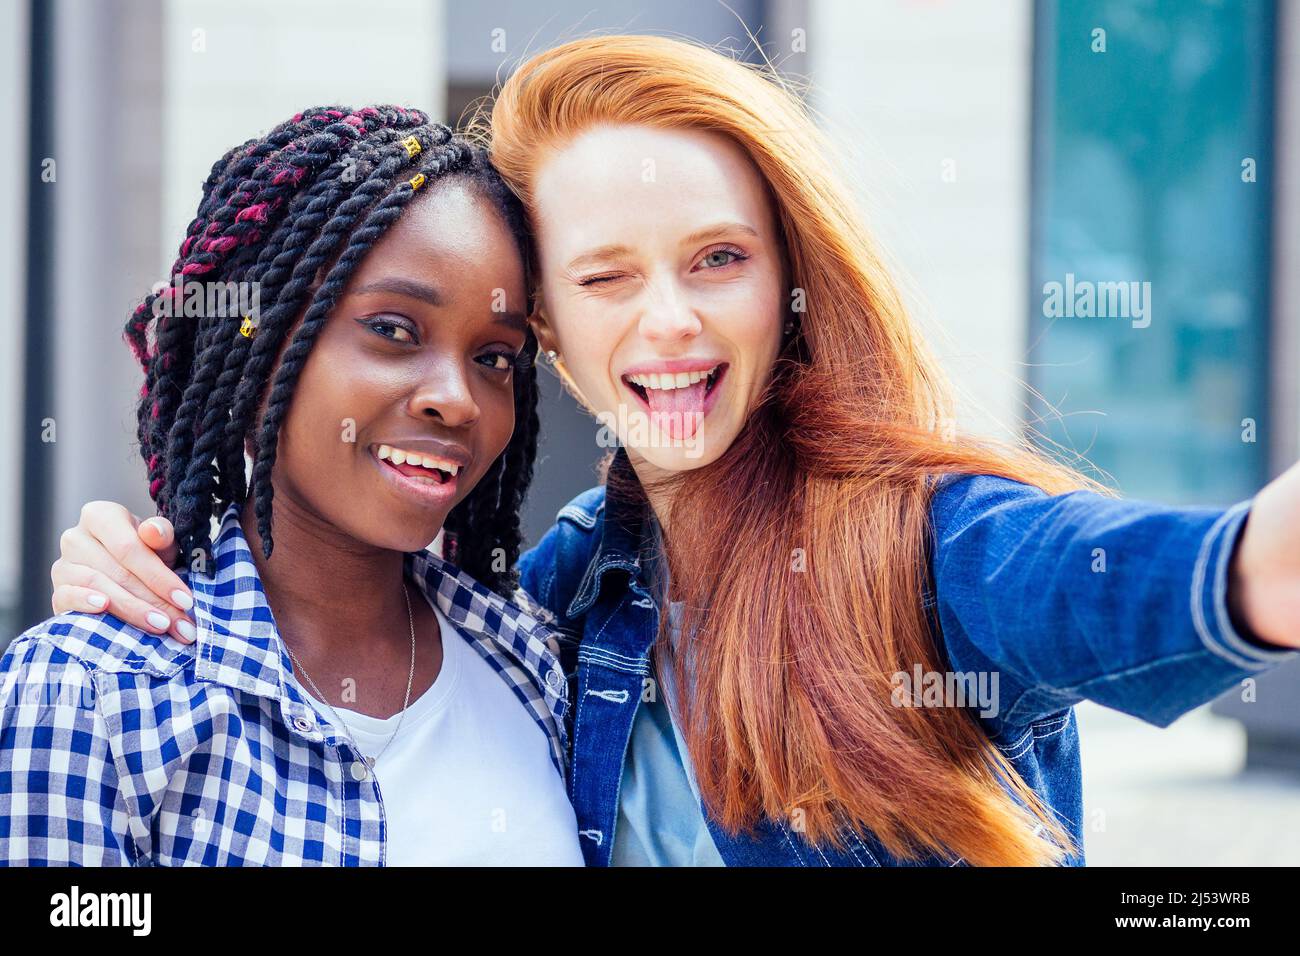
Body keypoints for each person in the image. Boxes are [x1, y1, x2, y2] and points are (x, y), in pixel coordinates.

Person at [49, 38, 1300, 867]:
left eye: (718, 259)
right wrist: (138, 568)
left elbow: (1175, 572)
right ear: (547, 328)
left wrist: (1259, 562)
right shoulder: (547, 606)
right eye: (606, 276)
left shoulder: (931, 543)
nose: (670, 320)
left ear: (788, 281)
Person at [5, 106, 581, 865]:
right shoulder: (92, 694)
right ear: (260, 346)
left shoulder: (532, 664)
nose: (458, 398)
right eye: (394, 330)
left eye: (496, 358)